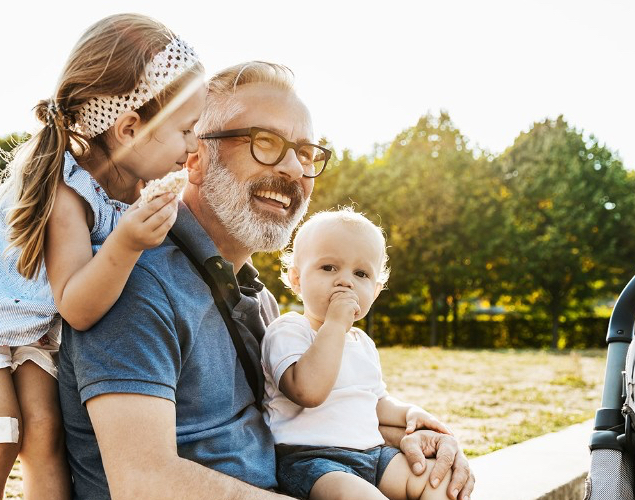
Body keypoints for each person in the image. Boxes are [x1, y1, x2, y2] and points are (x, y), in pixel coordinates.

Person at [58, 61, 475, 500]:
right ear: (194, 158)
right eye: (265, 142)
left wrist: (416, 435)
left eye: (307, 153)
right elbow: (143, 480)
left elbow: (304, 427)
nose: (295, 168)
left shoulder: (259, 300)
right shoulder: (137, 282)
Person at [0, 14, 204, 500]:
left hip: (31, 318)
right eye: (186, 130)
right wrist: (127, 243)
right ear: (129, 127)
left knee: (46, 432)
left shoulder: (132, 186)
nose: (194, 146)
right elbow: (76, 303)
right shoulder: (65, 194)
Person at [263, 208, 452, 500]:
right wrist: (335, 325)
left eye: (361, 273)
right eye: (328, 267)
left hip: (373, 455)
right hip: (312, 461)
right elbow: (308, 391)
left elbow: (375, 401)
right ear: (296, 279)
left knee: (435, 482)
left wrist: (408, 412)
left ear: (374, 292)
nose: (345, 281)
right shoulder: (289, 329)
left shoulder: (362, 342)